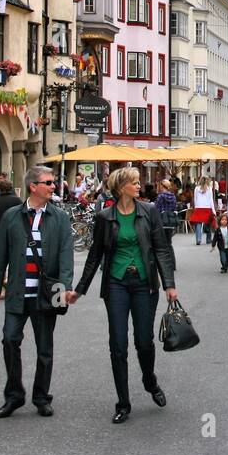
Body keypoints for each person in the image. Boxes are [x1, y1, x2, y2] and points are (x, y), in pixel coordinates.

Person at [67, 166, 176, 424]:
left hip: (143, 283)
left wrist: (169, 284)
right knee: (117, 345)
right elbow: (95, 256)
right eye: (135, 183)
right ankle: (123, 402)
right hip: (116, 283)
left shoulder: (149, 211)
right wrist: (79, 290)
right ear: (121, 187)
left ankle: (150, 381)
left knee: (144, 342)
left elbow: (161, 249)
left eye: (139, 182)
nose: (139, 186)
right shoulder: (105, 217)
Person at [0, 166, 74, 419]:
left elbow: (66, 257)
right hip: (17, 292)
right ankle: (14, 395)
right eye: (48, 182)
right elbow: (0, 254)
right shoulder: (12, 216)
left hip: (46, 295)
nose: (53, 186)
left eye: (53, 182)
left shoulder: (59, 218)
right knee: (10, 340)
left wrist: (64, 289)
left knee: (45, 348)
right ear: (33, 186)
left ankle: (41, 397)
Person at [191, 176, 215, 247]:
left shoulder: (196, 188)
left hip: (198, 207)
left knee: (198, 224)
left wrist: (195, 207)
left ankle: (198, 239)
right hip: (207, 207)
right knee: (208, 223)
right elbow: (211, 200)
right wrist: (213, 210)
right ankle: (208, 239)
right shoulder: (209, 188)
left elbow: (195, 198)